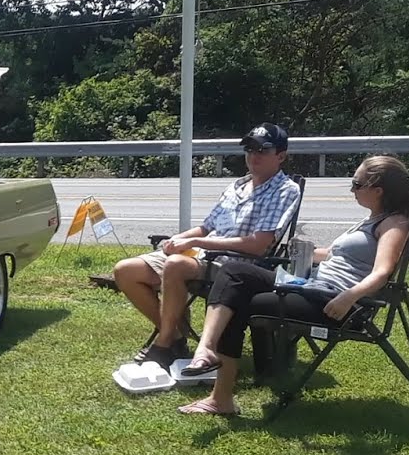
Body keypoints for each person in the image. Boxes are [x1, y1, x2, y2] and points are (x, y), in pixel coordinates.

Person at [177, 155, 409, 415]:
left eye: (357, 184)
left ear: (378, 191)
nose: (352, 190)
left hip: (335, 304)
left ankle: (219, 397)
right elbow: (339, 256)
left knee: (240, 300)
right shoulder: (372, 218)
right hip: (313, 287)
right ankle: (207, 350)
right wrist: (308, 252)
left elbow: (382, 272)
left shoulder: (393, 223)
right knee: (235, 272)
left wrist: (349, 297)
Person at [113, 123, 302, 368]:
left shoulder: (285, 190)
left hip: (234, 265)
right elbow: (205, 227)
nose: (253, 156)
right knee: (125, 270)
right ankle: (176, 336)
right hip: (202, 255)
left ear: (281, 156)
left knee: (176, 265)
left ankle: (164, 344)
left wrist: (195, 242)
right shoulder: (236, 187)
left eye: (262, 150)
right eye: (249, 149)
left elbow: (258, 245)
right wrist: (179, 239)